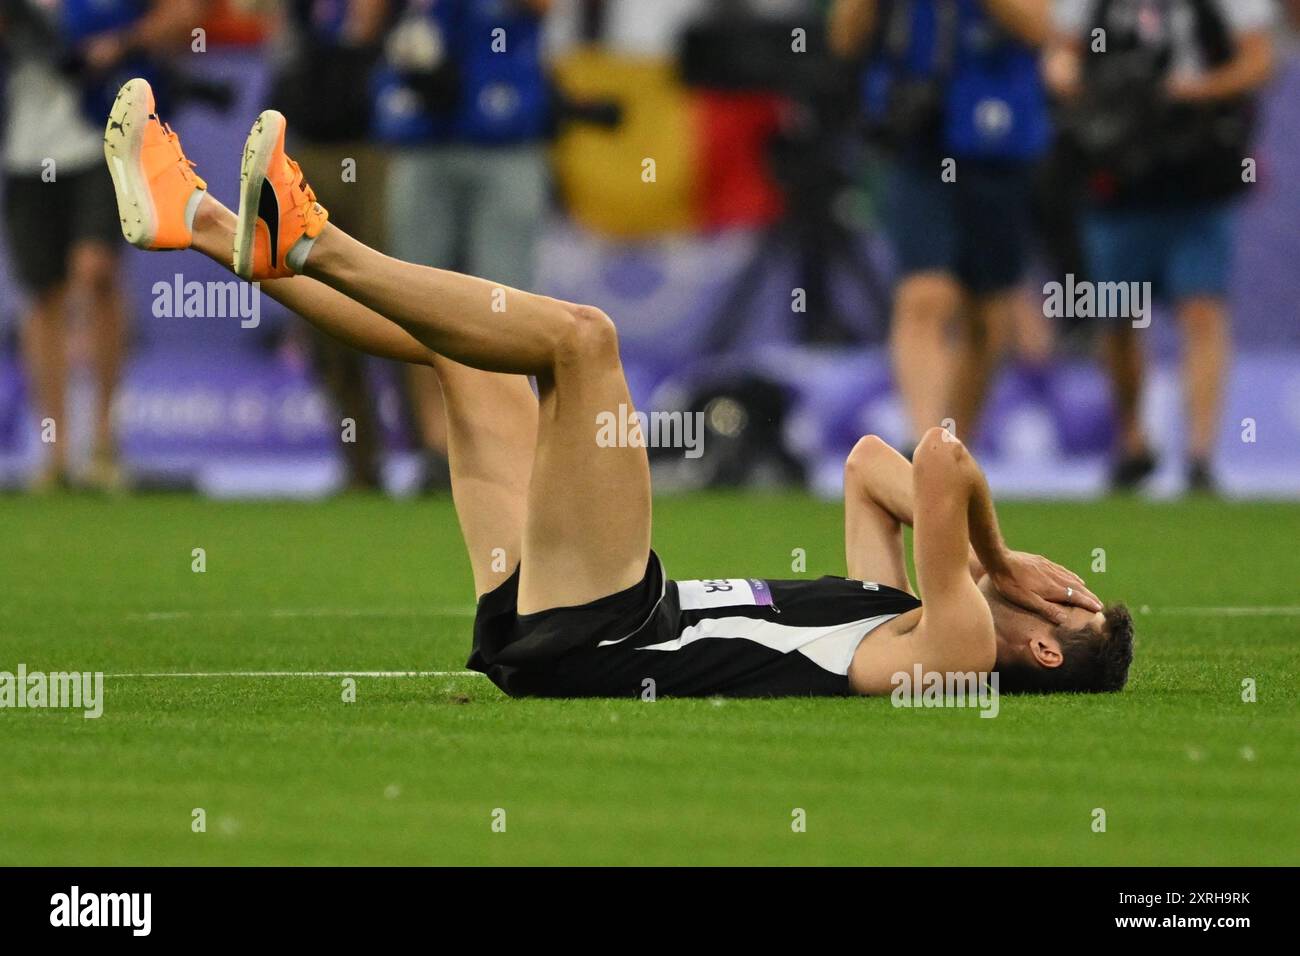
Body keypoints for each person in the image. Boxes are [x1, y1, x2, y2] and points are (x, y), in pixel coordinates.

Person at [103, 78, 1133, 697]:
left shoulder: (950, 653)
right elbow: (872, 466)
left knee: (579, 341)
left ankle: (314, 240)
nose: (1058, 579)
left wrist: (998, 551)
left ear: (1042, 647)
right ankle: (192, 219)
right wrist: (986, 550)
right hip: (562, 619)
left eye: (1072, 600)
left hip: (608, 627)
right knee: (471, 352)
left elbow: (943, 459)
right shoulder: (907, 609)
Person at [1045, 0, 1276, 492]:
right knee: (1117, 317)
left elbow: (1258, 60)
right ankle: (1132, 440)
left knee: (1202, 309)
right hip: (1116, 174)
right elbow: (1060, 58)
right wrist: (1094, 92)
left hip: (1196, 171)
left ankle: (1199, 456)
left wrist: (1189, 92)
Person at [830, 0, 1053, 449]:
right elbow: (845, 40)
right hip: (916, 134)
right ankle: (926, 444)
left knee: (986, 316)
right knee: (925, 294)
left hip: (996, 139)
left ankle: (954, 447)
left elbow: (1036, 26)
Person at [0, 0, 201, 490]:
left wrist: (121, 44)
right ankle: (56, 452)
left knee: (95, 272)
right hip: (27, 149)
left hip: (99, 138)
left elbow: (184, 16)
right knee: (43, 292)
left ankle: (106, 442)